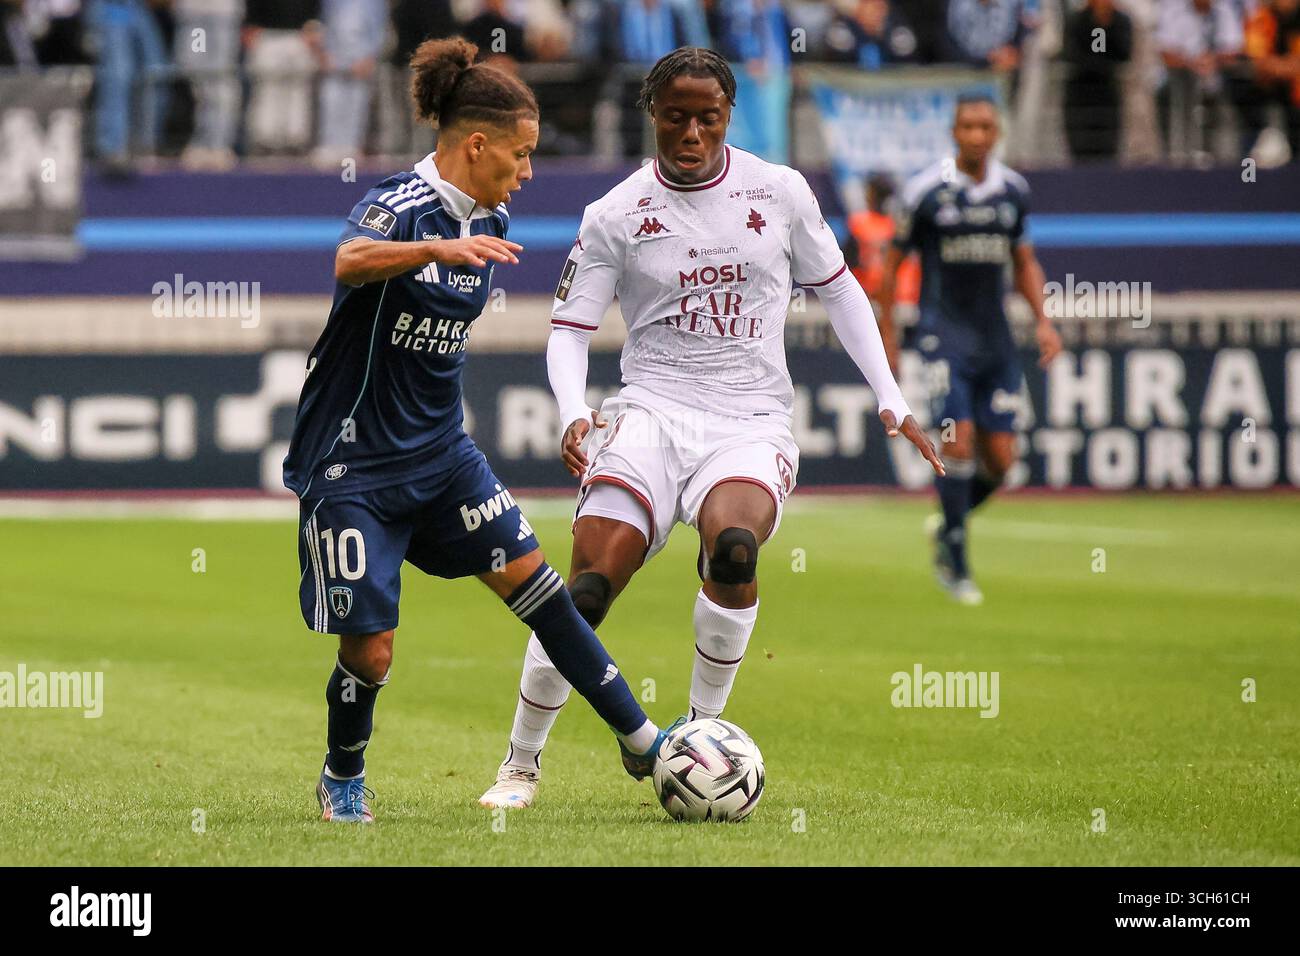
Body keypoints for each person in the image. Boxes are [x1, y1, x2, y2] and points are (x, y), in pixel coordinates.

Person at [477, 46, 942, 810]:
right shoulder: (616, 213)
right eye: (676, 116)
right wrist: (573, 411)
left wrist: (891, 396)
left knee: (732, 549)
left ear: (729, 116)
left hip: (749, 418)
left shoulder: (780, 191)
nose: (692, 131)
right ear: (651, 116)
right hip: (650, 414)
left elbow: (843, 290)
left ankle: (699, 740)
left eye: (708, 117)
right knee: (586, 592)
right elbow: (568, 329)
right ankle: (520, 764)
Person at [282, 37, 665, 823]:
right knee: (372, 651)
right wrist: (431, 245)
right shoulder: (403, 205)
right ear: (476, 144)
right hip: (353, 463)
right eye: (520, 155)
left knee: (547, 595)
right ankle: (343, 773)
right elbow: (349, 260)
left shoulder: (489, 215)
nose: (527, 173)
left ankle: (646, 741)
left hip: (443, 456)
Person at [877, 94, 1062, 606]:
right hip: (943, 337)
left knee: (1002, 462)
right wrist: (888, 335)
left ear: (997, 131)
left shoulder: (1013, 192)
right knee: (958, 444)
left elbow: (1023, 260)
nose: (977, 135)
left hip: (995, 339)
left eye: (986, 126)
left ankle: (946, 523)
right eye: (968, 126)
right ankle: (956, 557)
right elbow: (892, 266)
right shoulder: (926, 192)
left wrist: (1043, 321)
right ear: (954, 132)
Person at [1061, 0, 1134, 163]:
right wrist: (1097, 26)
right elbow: (1072, 54)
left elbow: (1123, 53)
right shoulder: (1076, 20)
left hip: (1107, 96)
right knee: (1080, 151)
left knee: (1107, 151)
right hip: (1080, 96)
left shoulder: (1120, 21)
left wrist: (1104, 26)